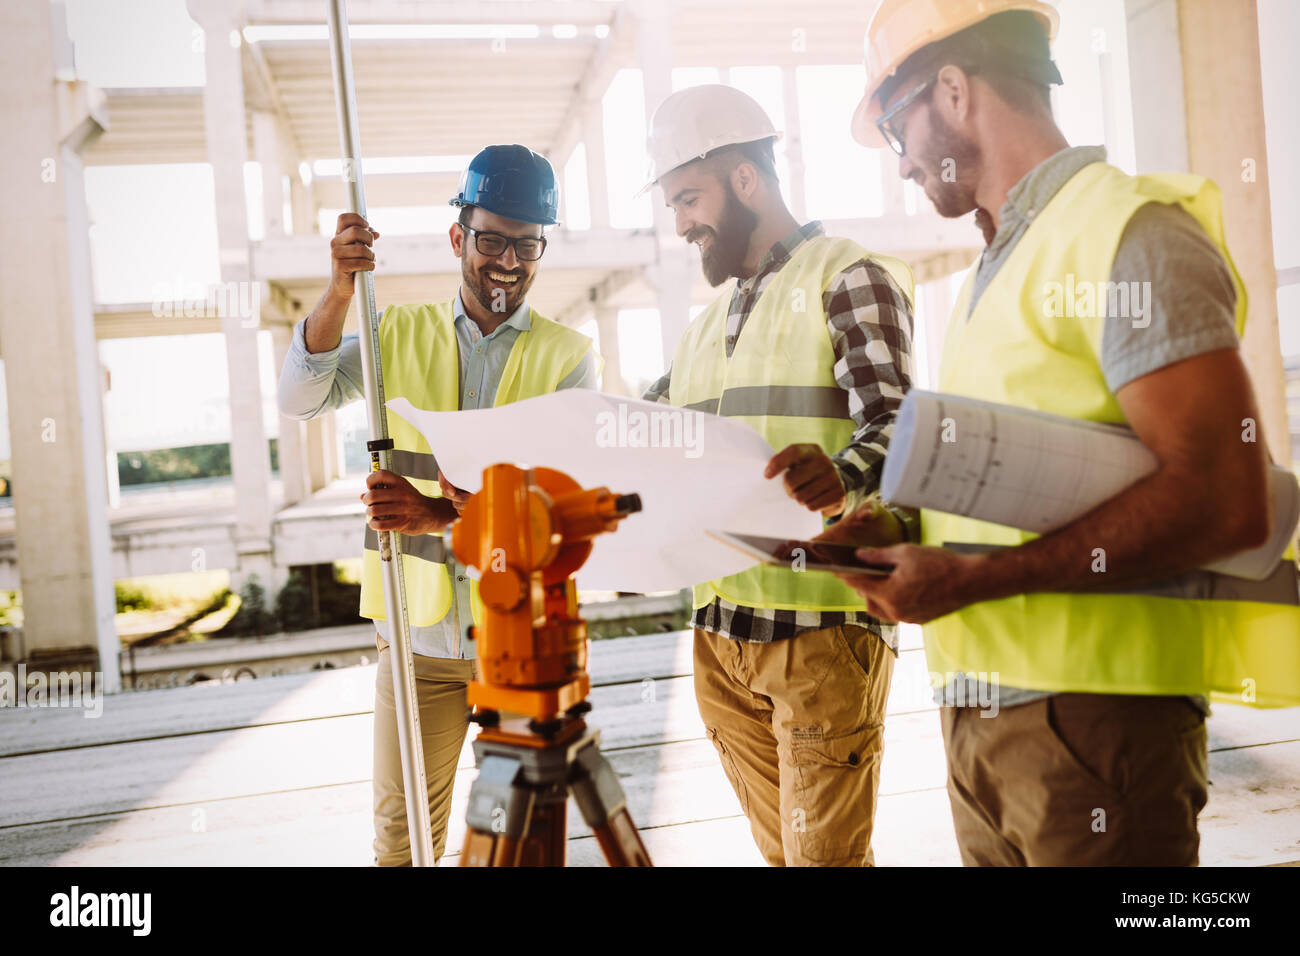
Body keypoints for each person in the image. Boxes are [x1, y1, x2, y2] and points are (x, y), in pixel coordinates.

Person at [829, 0, 1300, 865]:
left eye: (898, 128)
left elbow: (1227, 500)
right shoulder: (996, 269)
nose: (899, 165)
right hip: (982, 727)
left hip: (1096, 728)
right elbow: (1022, 483)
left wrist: (978, 579)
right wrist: (904, 531)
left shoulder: (1125, 232)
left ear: (956, 91)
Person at [277, 144, 599, 865]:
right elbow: (301, 397)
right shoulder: (396, 334)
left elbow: (563, 510)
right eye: (491, 239)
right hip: (419, 643)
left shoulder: (569, 356)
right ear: (459, 237)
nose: (507, 261)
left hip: (517, 641)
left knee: (511, 839)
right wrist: (336, 291)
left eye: (526, 244)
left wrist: (442, 517)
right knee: (403, 838)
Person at [640, 84, 918, 866]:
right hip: (720, 641)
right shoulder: (705, 328)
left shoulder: (848, 276)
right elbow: (629, 431)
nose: (681, 223)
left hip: (821, 638)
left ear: (745, 180)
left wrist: (842, 474)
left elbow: (899, 426)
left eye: (688, 198)